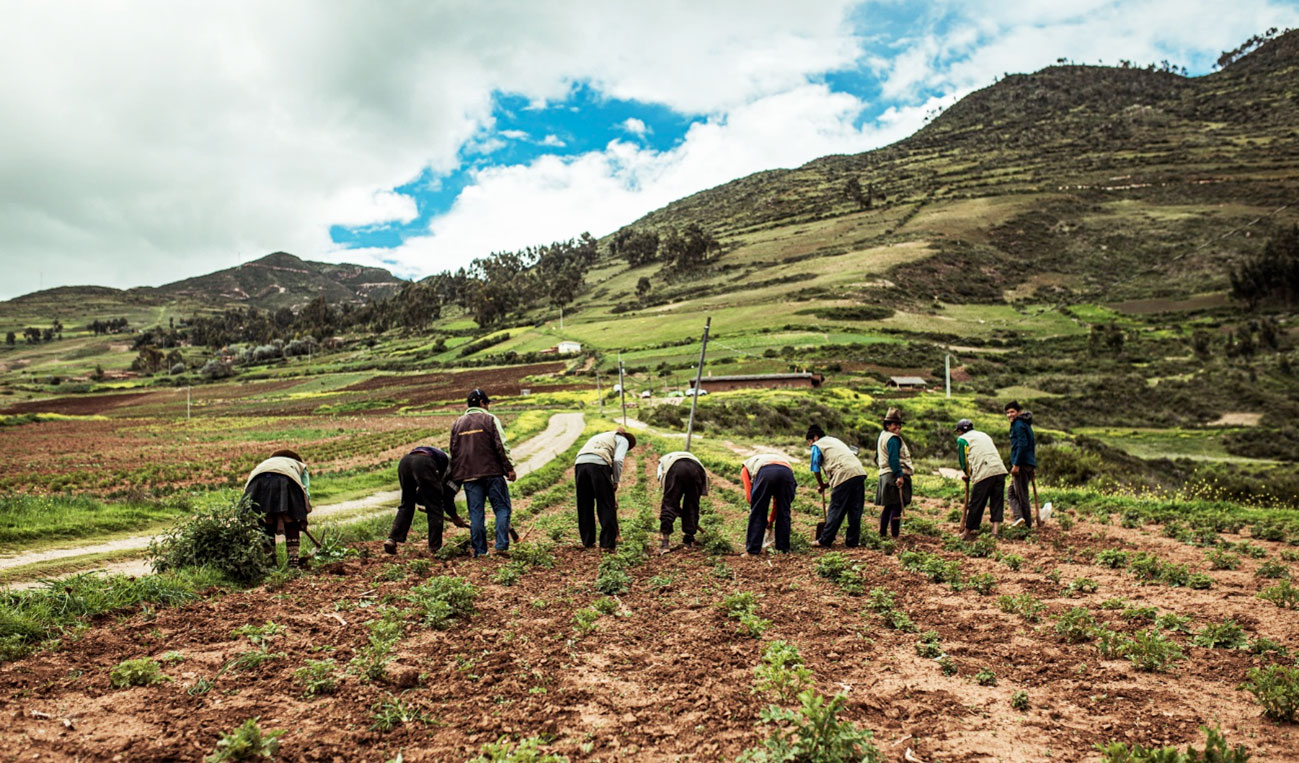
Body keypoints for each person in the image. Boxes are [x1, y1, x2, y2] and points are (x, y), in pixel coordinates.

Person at [449, 389, 516, 557]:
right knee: (502, 509)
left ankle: (480, 551)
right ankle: (500, 545)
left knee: (476, 513)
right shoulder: (490, 419)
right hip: (492, 473)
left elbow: (454, 451)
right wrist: (509, 468)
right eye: (487, 403)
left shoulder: (457, 423)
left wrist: (458, 476)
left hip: (469, 477)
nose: (488, 407)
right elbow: (501, 446)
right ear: (482, 403)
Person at [384, 446, 467, 556]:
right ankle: (435, 548)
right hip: (424, 463)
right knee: (435, 508)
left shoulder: (446, 460)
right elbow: (447, 498)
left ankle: (392, 539)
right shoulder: (457, 473)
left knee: (407, 504)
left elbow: (421, 497)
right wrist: (455, 517)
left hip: (406, 462)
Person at [243, 449, 311, 568]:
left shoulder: (264, 464)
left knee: (265, 521)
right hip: (286, 480)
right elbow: (306, 489)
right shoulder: (299, 466)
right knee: (292, 520)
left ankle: (271, 565)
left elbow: (248, 486)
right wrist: (301, 511)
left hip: (258, 484)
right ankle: (293, 564)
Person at [574, 427, 636, 551]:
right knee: (606, 504)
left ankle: (588, 541)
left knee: (584, 504)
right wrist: (616, 481)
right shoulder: (623, 440)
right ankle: (607, 544)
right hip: (599, 465)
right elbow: (618, 460)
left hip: (580, 464)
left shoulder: (600, 437)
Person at [808, 424, 868, 548]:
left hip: (843, 475)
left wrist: (820, 484)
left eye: (809, 441)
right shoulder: (834, 441)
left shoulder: (817, 445)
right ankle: (852, 542)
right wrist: (826, 485)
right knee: (855, 510)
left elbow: (815, 467)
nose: (809, 445)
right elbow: (841, 462)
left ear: (815, 437)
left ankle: (824, 540)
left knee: (836, 509)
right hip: (858, 472)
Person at [954, 419, 1008, 541]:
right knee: (997, 501)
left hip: (984, 472)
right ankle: (995, 532)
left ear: (960, 431)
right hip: (999, 469)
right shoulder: (984, 435)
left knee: (976, 503)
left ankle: (966, 532)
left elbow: (964, 460)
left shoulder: (962, 439)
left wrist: (967, 474)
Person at [741, 453, 796, 555]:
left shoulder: (745, 468)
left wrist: (764, 516)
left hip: (766, 473)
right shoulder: (776, 459)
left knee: (758, 512)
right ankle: (783, 550)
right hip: (787, 473)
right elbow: (777, 503)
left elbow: (751, 498)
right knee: (784, 511)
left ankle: (753, 551)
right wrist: (771, 520)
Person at [656, 450, 708, 553]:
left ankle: (665, 543)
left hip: (675, 469)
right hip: (697, 470)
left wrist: (673, 507)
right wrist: (685, 513)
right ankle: (688, 540)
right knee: (692, 505)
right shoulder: (693, 458)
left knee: (669, 503)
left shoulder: (662, 462)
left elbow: (661, 479)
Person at [874, 408, 913, 539]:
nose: (897, 427)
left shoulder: (882, 436)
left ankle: (883, 533)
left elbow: (877, 457)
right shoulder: (893, 439)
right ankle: (895, 535)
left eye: (899, 424)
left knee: (888, 506)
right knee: (896, 506)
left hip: (885, 474)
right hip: (893, 474)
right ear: (887, 425)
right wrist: (899, 475)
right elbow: (894, 459)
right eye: (894, 424)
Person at [1005, 401, 1037, 527]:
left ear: (1018, 412)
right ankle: (1020, 518)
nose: (1009, 415)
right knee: (1012, 492)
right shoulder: (1025, 424)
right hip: (1028, 463)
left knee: (1021, 495)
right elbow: (1031, 445)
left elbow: (1022, 445)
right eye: (1007, 413)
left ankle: (1025, 525)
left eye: (1012, 411)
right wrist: (1033, 466)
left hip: (1022, 464)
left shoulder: (1018, 425)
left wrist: (1017, 464)